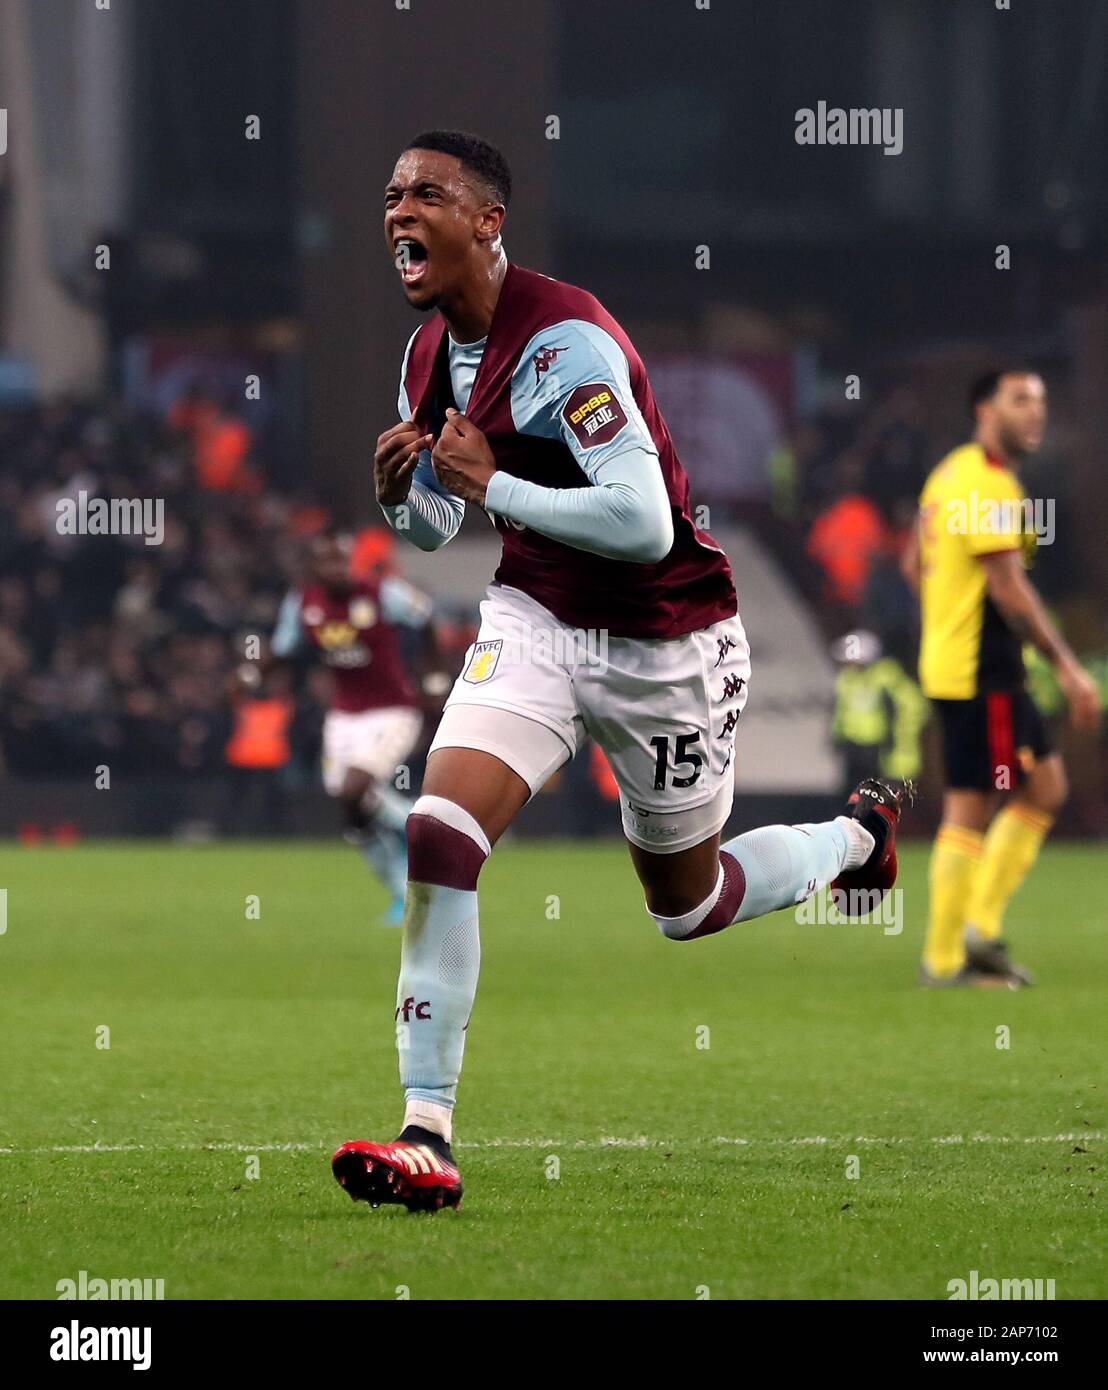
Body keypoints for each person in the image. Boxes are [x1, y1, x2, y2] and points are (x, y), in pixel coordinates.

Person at [331, 131, 907, 1212]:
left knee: (685, 908)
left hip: (665, 642)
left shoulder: (566, 343)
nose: (400, 213)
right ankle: (428, 1131)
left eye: (428, 196)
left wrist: (492, 486)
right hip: (538, 617)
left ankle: (857, 841)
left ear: (488, 222)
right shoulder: (424, 359)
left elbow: (642, 526)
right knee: (438, 830)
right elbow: (433, 523)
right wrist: (396, 497)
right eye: (392, 194)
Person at [901, 368, 1100, 988]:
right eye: (1021, 400)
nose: (1036, 412)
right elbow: (1008, 585)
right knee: (970, 807)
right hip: (980, 669)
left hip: (978, 664)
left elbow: (913, 561)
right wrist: (1069, 667)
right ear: (985, 409)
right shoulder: (986, 483)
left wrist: (942, 616)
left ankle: (976, 931)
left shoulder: (951, 472)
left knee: (1044, 789)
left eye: (1042, 400)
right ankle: (946, 957)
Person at [261, 531, 440, 924]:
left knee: (354, 788)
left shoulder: (380, 592)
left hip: (393, 709)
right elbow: (281, 649)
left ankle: (425, 833)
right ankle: (401, 890)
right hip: (343, 715)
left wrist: (433, 674)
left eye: (342, 560)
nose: (336, 569)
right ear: (315, 568)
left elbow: (425, 615)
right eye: (327, 562)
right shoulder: (304, 603)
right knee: (352, 812)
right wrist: (249, 673)